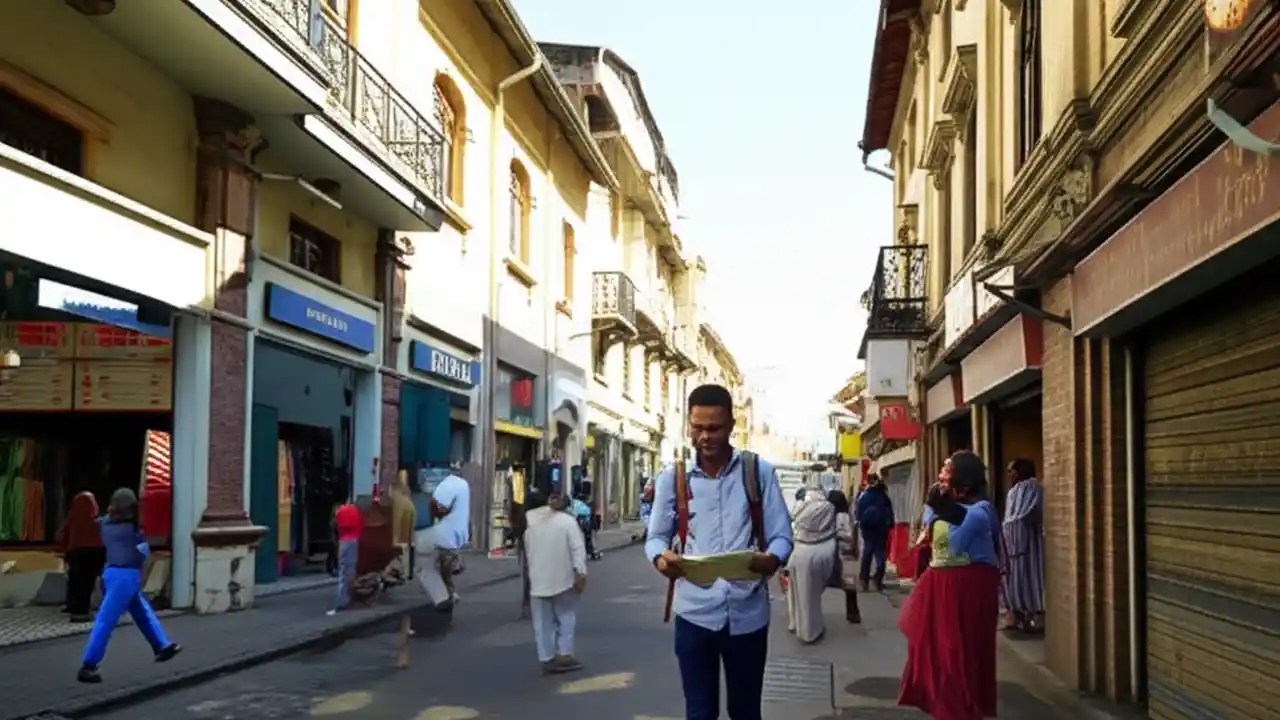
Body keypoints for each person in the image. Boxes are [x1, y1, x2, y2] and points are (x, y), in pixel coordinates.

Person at [646, 383, 793, 720]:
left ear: (730, 426)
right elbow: (655, 537)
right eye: (697, 428)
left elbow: (782, 535)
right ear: (688, 426)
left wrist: (772, 559)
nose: (705, 437)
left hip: (748, 615)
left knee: (745, 712)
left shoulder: (758, 471)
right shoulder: (675, 478)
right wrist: (660, 558)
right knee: (699, 712)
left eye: (714, 428)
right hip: (694, 615)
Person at [898, 451, 1002, 720]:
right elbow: (929, 540)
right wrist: (937, 509)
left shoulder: (981, 512)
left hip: (968, 590)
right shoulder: (944, 506)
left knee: (958, 657)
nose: (941, 475)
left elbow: (952, 545)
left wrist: (940, 509)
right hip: (941, 586)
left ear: (964, 483)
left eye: (947, 470)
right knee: (938, 656)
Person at [77, 488, 180, 683]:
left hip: (111, 572)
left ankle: (162, 646)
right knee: (106, 620)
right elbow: (143, 554)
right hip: (126, 576)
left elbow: (95, 522)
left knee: (142, 612)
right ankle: (88, 665)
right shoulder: (133, 529)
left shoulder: (105, 524)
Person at [524, 487, 588, 675]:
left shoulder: (528, 527)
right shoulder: (566, 521)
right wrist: (581, 572)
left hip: (537, 580)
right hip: (564, 578)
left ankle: (546, 658)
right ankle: (564, 654)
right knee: (566, 616)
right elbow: (577, 548)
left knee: (542, 623)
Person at [785, 492, 837, 643]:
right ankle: (810, 630)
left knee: (795, 594)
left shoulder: (802, 508)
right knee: (810, 597)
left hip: (799, 552)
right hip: (820, 551)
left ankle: (795, 623)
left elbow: (794, 519)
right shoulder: (829, 508)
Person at [1001, 458, 1045, 634]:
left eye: (1012, 471)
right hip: (1014, 546)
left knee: (1031, 580)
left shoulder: (1032, 487)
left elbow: (1021, 516)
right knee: (1015, 582)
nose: (1009, 474)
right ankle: (1019, 616)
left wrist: (1008, 533)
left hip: (1029, 545)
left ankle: (1034, 618)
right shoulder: (1014, 491)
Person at [58, 491, 104, 623]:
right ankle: (83, 612)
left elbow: (62, 537)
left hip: (75, 552)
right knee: (88, 583)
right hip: (95, 552)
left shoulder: (72, 519)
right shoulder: (97, 521)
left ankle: (74, 607)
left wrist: (64, 550)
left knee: (75, 580)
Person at [428, 470, 470, 607]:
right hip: (453, 536)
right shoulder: (463, 486)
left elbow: (440, 509)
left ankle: (449, 594)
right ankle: (449, 593)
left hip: (445, 537)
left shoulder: (448, 487)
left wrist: (435, 510)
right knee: (444, 568)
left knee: (443, 568)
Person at [856, 473, 895, 591]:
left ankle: (864, 580)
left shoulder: (865, 496)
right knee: (880, 553)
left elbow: (858, 513)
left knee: (867, 553)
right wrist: (890, 525)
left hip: (868, 529)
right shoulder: (883, 496)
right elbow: (889, 512)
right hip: (881, 529)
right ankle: (878, 578)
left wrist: (861, 524)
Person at [828, 490, 861, 624]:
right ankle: (853, 613)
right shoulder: (847, 515)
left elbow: (847, 535)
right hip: (848, 554)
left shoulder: (840, 516)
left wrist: (835, 535)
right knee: (850, 586)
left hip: (840, 552)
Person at [327, 500, 362, 615]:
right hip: (354, 541)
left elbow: (335, 528)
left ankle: (342, 602)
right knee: (351, 571)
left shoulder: (340, 514)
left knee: (343, 573)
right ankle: (350, 598)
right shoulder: (355, 512)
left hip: (344, 542)